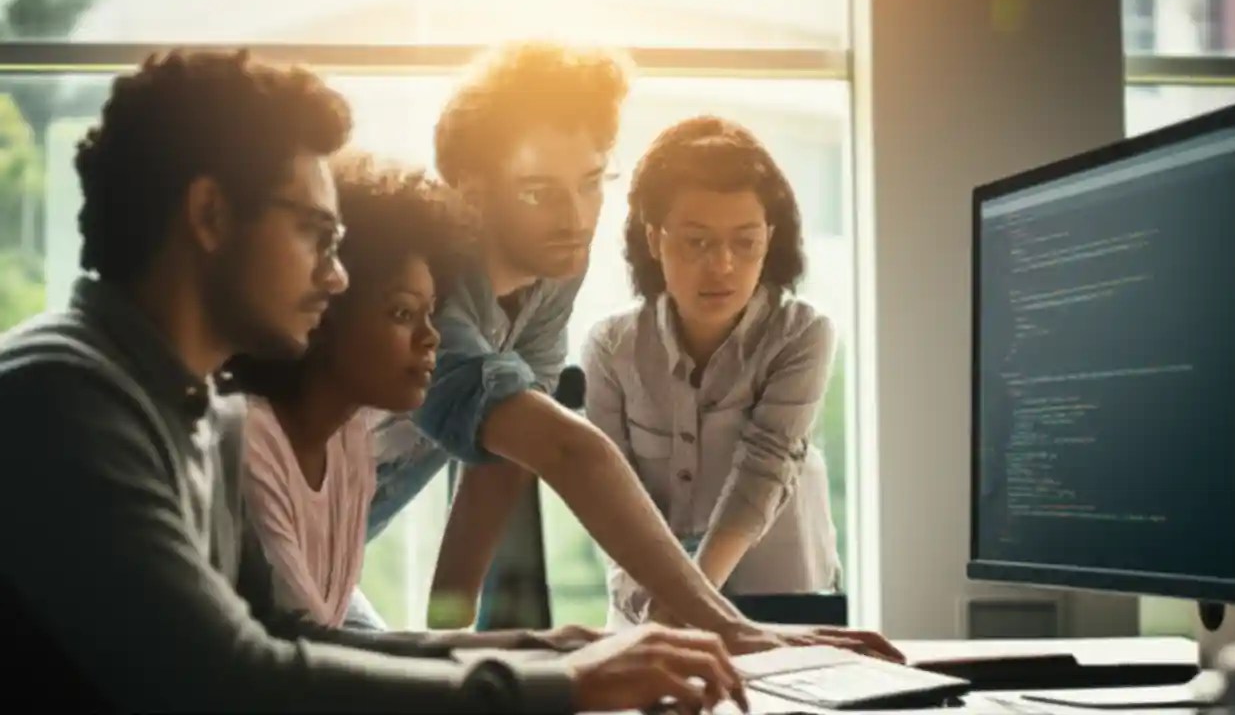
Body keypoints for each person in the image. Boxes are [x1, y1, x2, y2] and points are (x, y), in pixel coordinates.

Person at [0, 49, 749, 714]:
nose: (336, 277)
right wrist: (565, 686)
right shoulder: (62, 398)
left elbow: (289, 636)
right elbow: (227, 678)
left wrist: (544, 650)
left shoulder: (200, 415)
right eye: (317, 235)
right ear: (211, 215)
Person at [362, 39, 902, 661]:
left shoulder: (553, 270)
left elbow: (504, 458)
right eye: (538, 191)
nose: (575, 218)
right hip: (279, 544)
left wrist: (449, 643)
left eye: (591, 183)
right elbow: (566, 449)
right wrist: (724, 623)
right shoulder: (432, 294)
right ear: (474, 193)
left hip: (330, 550)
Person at [231, 152, 602, 651]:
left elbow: (334, 637)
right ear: (327, 309)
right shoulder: (250, 443)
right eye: (403, 313)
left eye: (431, 313)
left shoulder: (348, 448)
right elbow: (306, 651)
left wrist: (540, 650)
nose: (431, 338)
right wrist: (536, 653)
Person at [582, 116, 843, 627]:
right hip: (648, 602)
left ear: (769, 239)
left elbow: (764, 469)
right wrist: (660, 603)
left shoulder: (802, 335)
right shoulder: (611, 348)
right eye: (697, 242)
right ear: (655, 239)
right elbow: (605, 493)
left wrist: (688, 603)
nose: (722, 265)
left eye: (744, 242)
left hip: (782, 600)